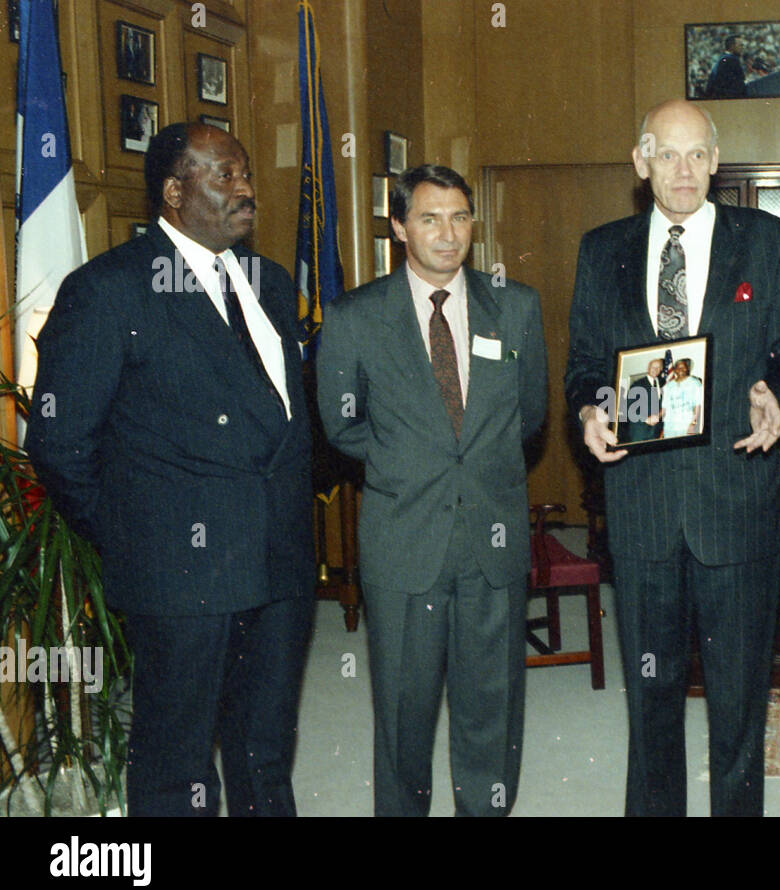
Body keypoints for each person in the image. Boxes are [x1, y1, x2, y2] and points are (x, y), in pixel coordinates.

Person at [26, 122, 314, 816]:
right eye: (224, 175)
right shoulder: (110, 288)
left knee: (265, 750)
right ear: (174, 190)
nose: (245, 189)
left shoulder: (269, 283)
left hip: (278, 562)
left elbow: (284, 420)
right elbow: (60, 442)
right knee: (176, 764)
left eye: (246, 173)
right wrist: (138, 534)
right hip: (182, 574)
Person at [565, 99, 780, 816]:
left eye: (697, 154)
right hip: (641, 510)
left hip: (734, 503)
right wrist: (589, 410)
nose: (683, 170)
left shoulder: (769, 241)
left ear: (716, 161)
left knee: (738, 707)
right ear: (640, 162)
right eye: (667, 154)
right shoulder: (599, 248)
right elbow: (584, 365)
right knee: (650, 703)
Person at [316, 164, 547, 817]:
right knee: (403, 717)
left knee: (491, 712)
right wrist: (408, 463)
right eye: (428, 218)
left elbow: (529, 419)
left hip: (491, 540)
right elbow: (340, 423)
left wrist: (476, 466)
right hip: (405, 542)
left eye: (460, 217)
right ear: (398, 226)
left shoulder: (518, 306)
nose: (448, 234)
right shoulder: (355, 317)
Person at [623, 356, 665, 443]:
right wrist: (646, 419)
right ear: (648, 368)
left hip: (655, 431)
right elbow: (628, 408)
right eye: (653, 367)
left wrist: (659, 416)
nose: (655, 369)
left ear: (661, 369)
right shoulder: (637, 385)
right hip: (639, 431)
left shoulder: (662, 384)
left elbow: (664, 405)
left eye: (658, 367)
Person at [660, 358, 703, 437]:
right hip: (670, 428)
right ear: (675, 370)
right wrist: (657, 417)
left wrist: (693, 424)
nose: (681, 369)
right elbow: (664, 407)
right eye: (678, 367)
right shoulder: (668, 386)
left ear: (687, 369)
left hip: (686, 426)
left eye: (683, 367)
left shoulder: (695, 383)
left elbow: (697, 406)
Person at [704, 34, 746, 99]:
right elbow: (738, 84)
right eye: (740, 45)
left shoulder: (723, 59)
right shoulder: (731, 60)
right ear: (732, 46)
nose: (743, 47)